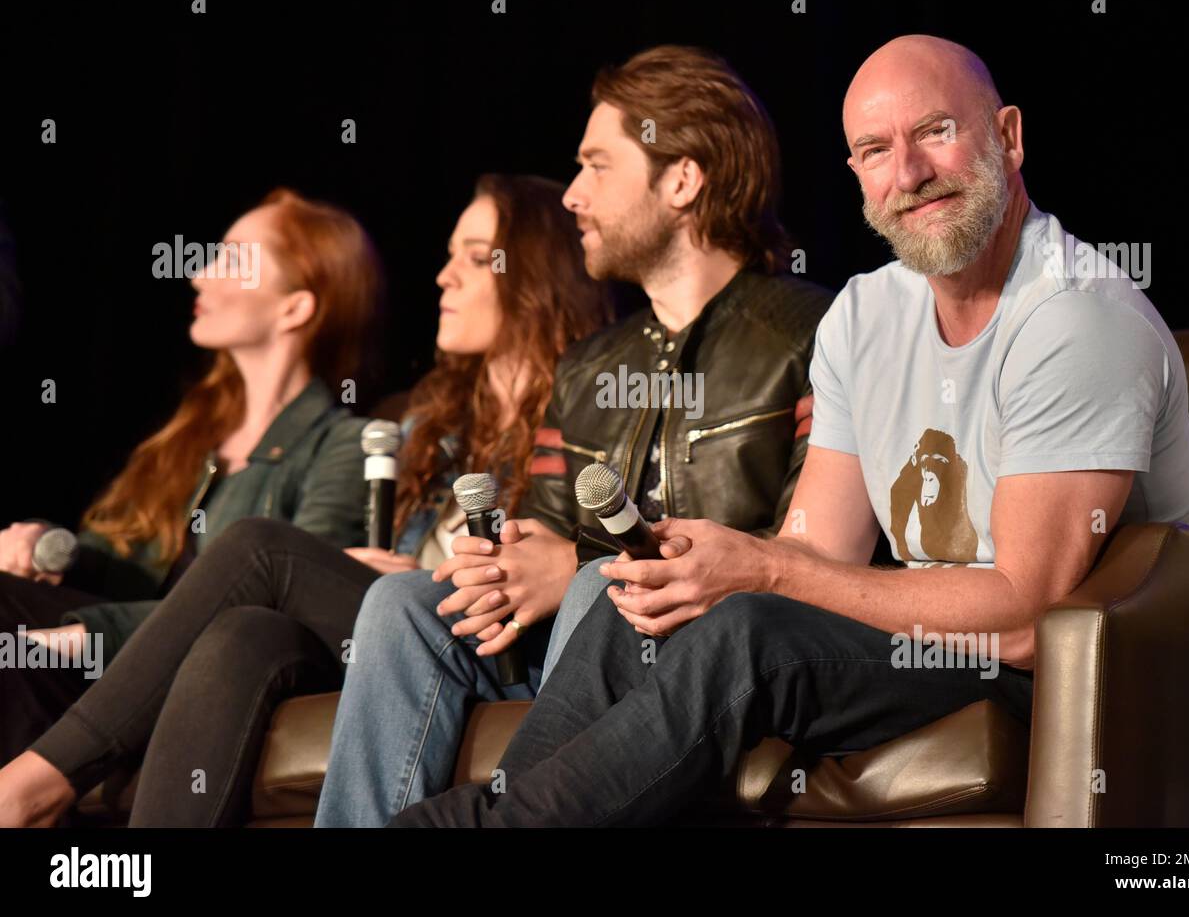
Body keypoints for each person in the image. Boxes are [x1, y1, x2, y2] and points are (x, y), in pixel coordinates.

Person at [391, 34, 1189, 827]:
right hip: (927, 641)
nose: (911, 173)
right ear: (856, 173)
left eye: (935, 132)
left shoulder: (1075, 316)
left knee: (749, 634)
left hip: (1053, 666)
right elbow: (821, 550)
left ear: (1009, 136)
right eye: (876, 150)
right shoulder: (864, 314)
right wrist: (714, 566)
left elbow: (1027, 614)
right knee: (626, 602)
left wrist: (764, 574)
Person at [315, 45, 833, 827]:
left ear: (683, 180)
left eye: (597, 167)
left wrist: (579, 564)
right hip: (574, 653)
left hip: (706, 649)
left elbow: (808, 553)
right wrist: (507, 570)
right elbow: (551, 534)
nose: (573, 197)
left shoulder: (810, 331)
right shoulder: (591, 363)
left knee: (601, 585)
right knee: (403, 602)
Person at [0, 173, 611, 827]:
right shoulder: (419, 420)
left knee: (260, 550)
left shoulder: (587, 408)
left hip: (489, 635)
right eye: (448, 253)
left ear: (537, 273)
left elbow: (570, 571)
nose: (444, 276)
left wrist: (88, 633)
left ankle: (30, 787)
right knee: (243, 629)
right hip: (394, 620)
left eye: (474, 255)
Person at [0, 188, 382, 769]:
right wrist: (47, 550)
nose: (198, 275)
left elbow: (279, 602)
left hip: (187, 684)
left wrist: (83, 635)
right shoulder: (186, 438)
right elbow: (116, 561)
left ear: (295, 307)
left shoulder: (342, 445)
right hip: (109, 661)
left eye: (231, 260)